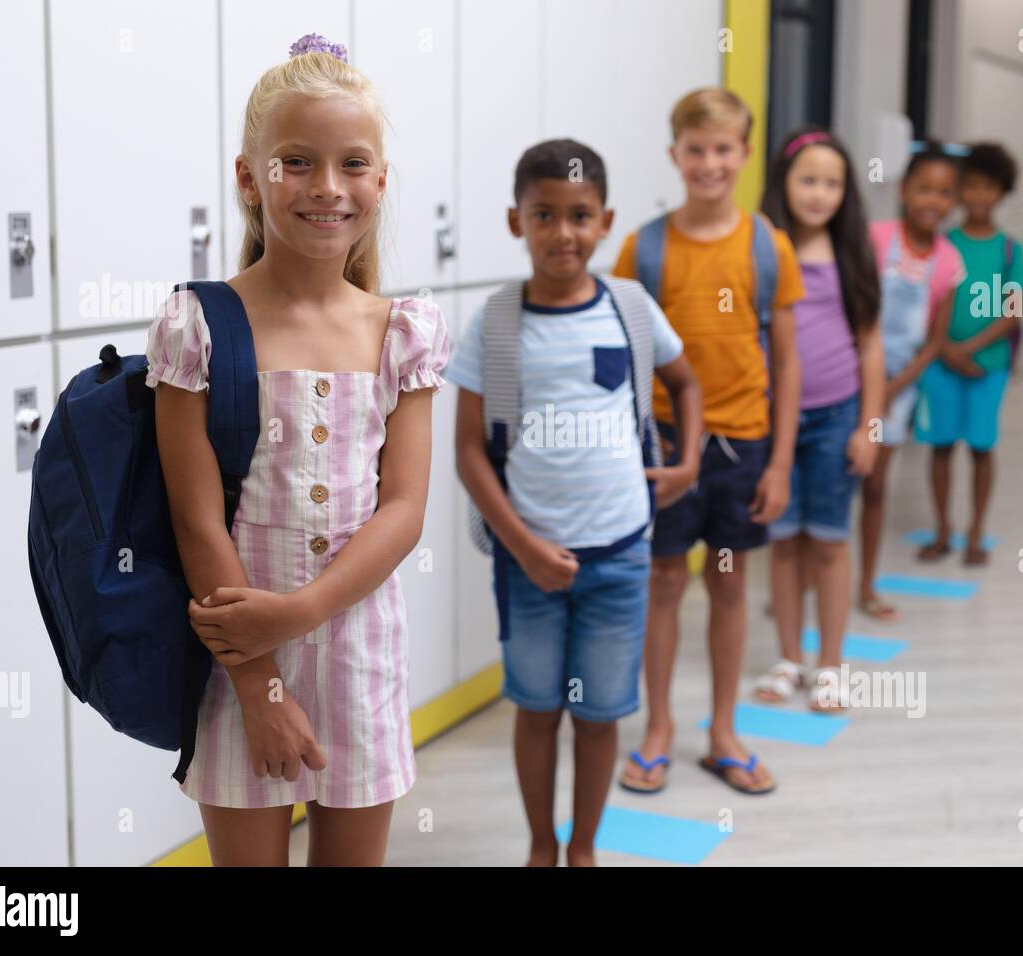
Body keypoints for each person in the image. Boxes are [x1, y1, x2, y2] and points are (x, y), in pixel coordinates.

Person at [146, 34, 448, 865]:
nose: (328, 188)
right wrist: (259, 682)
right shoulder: (197, 324)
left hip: (361, 662)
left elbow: (405, 509)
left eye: (354, 164)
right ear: (251, 177)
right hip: (237, 674)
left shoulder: (403, 332)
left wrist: (304, 610)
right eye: (296, 162)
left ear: (380, 181)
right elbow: (194, 517)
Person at [447, 139, 702, 865]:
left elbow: (685, 382)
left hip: (621, 558)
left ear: (607, 220)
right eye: (544, 215)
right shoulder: (496, 323)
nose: (563, 232)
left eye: (580, 216)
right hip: (528, 564)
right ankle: (540, 846)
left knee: (598, 717)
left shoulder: (629, 306)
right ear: (515, 220)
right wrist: (524, 547)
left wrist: (686, 462)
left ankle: (584, 848)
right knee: (537, 710)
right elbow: (468, 451)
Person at [613, 88, 804, 795]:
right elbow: (622, 358)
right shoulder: (645, 247)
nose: (710, 162)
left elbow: (787, 361)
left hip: (744, 443)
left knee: (727, 582)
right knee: (663, 582)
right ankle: (657, 728)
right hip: (663, 445)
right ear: (675, 156)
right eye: (696, 150)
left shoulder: (766, 244)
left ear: (745, 155)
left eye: (724, 149)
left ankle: (724, 732)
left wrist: (780, 460)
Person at [752, 128, 884, 711]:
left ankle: (831, 665)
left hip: (836, 418)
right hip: (772, 420)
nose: (819, 193)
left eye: (832, 183)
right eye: (808, 179)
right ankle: (788, 659)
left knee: (829, 543)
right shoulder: (763, 249)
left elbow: (872, 345)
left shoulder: (854, 251)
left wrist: (869, 425)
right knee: (783, 544)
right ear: (784, 182)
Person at [857, 142, 966, 622]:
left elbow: (934, 342)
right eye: (924, 188)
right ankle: (801, 584)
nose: (932, 201)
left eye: (944, 193)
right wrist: (865, 381)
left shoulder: (949, 263)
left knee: (875, 485)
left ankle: (864, 585)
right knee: (830, 484)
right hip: (851, 374)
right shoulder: (875, 238)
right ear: (903, 190)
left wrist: (891, 389)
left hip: (897, 390)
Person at [914, 142, 1023, 567]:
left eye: (989, 188)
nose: (980, 196)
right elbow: (926, 301)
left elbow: (1012, 312)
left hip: (987, 366)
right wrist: (945, 350)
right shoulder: (941, 244)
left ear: (1003, 192)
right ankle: (943, 529)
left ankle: (976, 531)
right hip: (939, 364)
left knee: (981, 446)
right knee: (940, 446)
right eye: (972, 187)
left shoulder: (1011, 251)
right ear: (960, 191)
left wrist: (968, 349)